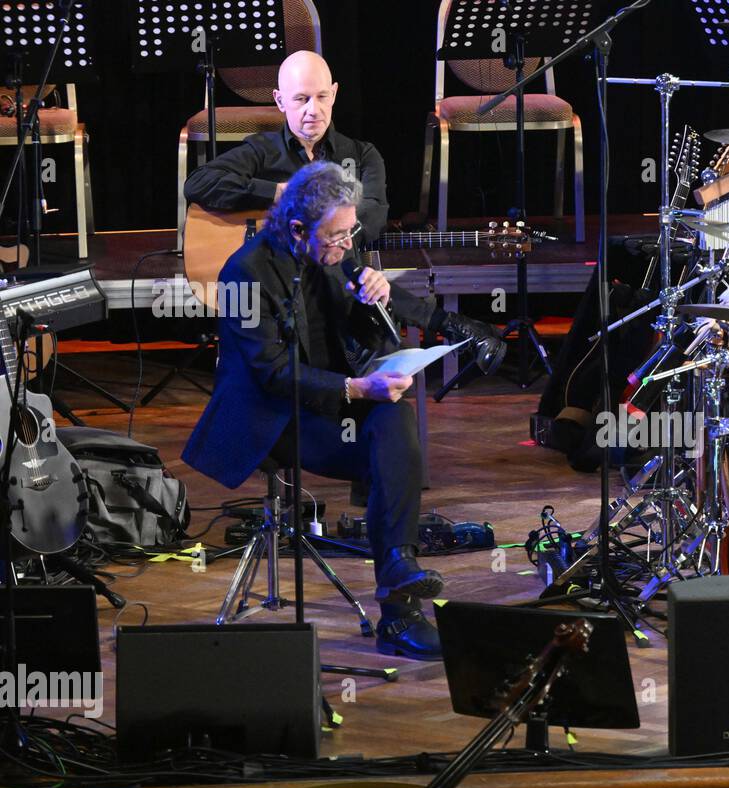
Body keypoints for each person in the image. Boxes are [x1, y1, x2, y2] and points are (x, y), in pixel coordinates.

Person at [183, 161, 498, 660]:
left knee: (393, 417)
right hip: (274, 419)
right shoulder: (243, 274)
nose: (347, 245)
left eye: (351, 231)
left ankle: (397, 571)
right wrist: (356, 388)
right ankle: (398, 605)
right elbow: (270, 373)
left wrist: (383, 301)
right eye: (337, 235)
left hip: (329, 401)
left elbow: (362, 323)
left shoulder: (332, 253)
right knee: (385, 442)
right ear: (297, 229)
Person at [184, 49, 504, 374]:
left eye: (322, 97)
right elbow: (199, 183)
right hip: (278, 283)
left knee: (339, 259)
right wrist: (279, 193)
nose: (313, 110)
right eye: (301, 99)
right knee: (350, 272)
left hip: (333, 282)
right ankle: (450, 327)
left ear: (334, 93)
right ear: (280, 101)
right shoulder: (263, 151)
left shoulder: (361, 155)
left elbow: (374, 215)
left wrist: (329, 235)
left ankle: (376, 347)